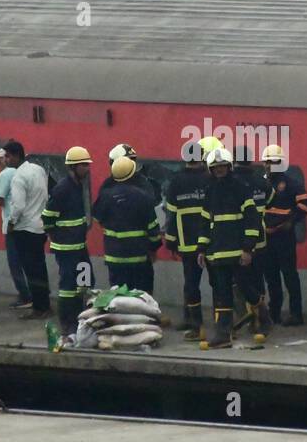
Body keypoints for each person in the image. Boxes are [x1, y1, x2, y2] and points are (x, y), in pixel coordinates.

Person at [196, 147, 260, 350]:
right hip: (217, 253)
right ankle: (223, 334)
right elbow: (205, 222)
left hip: (238, 252)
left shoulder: (240, 188)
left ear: (229, 167)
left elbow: (252, 220)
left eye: (222, 167)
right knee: (222, 293)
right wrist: (201, 249)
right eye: (215, 168)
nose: (219, 170)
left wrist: (248, 249)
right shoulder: (210, 190)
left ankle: (263, 318)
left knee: (247, 289)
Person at [0, 140, 50, 318]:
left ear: (16, 155)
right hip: (40, 227)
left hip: (24, 229)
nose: (6, 160)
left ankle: (38, 308)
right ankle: (45, 304)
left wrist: (10, 223)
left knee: (30, 270)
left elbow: (17, 206)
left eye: (8, 156)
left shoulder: (18, 177)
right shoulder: (38, 170)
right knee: (40, 269)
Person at [43, 146, 94, 337]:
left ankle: (80, 316)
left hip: (78, 245)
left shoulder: (76, 185)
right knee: (67, 287)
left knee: (85, 281)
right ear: (73, 167)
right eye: (84, 165)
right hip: (66, 248)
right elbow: (48, 216)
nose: (87, 169)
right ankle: (67, 322)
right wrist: (56, 236)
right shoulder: (63, 188)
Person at [92, 155, 161, 293]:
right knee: (140, 298)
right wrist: (154, 248)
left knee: (118, 296)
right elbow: (153, 229)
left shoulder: (105, 195)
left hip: (114, 258)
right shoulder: (143, 197)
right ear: (133, 173)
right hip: (139, 258)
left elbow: (96, 218)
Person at [164, 140, 210, 341]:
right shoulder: (211, 179)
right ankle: (227, 321)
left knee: (191, 284)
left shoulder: (176, 182)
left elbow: (171, 215)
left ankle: (193, 321)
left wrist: (171, 241)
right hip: (212, 243)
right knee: (220, 283)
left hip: (187, 243)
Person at [261, 144, 307, 326]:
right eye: (266, 162)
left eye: (271, 162)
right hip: (266, 237)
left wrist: (292, 221)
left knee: (290, 275)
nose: (268, 166)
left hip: (284, 237)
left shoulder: (290, 184)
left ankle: (296, 314)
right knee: (271, 277)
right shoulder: (262, 184)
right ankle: (274, 313)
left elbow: (306, 204)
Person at [232, 147, 272, 341]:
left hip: (239, 238)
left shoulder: (232, 183)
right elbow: (271, 200)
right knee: (258, 279)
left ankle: (246, 318)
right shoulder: (262, 182)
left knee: (240, 281)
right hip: (261, 238)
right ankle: (260, 320)